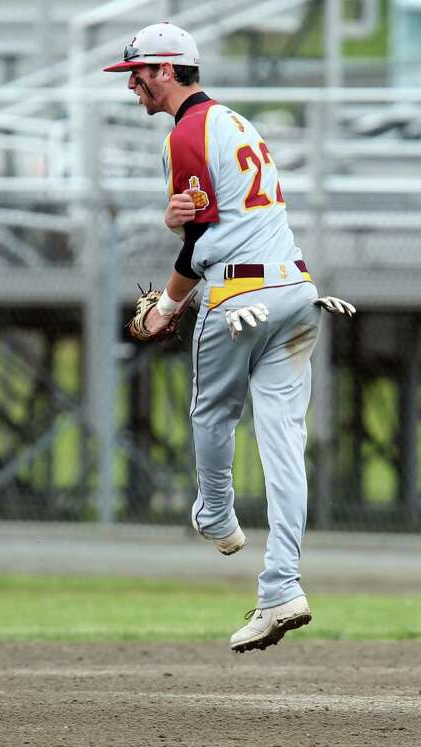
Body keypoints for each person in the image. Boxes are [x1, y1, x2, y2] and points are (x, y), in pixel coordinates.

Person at [106, 24, 355, 652]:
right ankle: (282, 588)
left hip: (239, 296)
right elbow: (216, 215)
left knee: (211, 410)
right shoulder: (239, 124)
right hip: (298, 292)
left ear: (166, 69)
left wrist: (165, 306)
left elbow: (198, 243)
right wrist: (175, 218)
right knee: (283, 445)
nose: (131, 85)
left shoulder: (185, 132)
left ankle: (214, 514)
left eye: (136, 73)